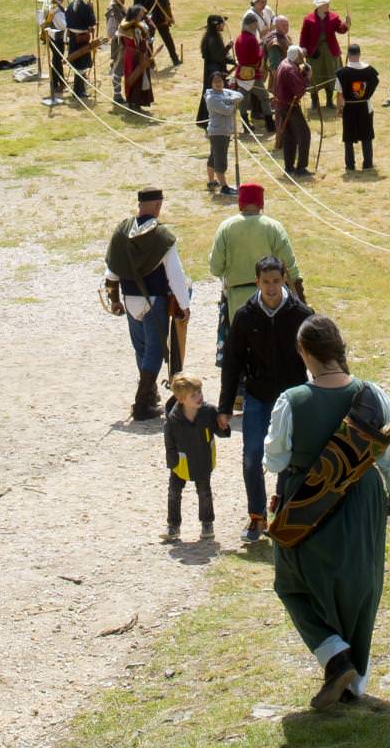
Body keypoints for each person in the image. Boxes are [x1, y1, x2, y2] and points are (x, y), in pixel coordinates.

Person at [264, 314, 390, 713]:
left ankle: (335, 657)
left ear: (304, 353)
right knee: (360, 589)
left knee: (292, 582)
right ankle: (355, 683)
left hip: (307, 503)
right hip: (363, 499)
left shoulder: (291, 401)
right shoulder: (373, 395)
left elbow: (275, 460)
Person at [217, 255, 312, 544]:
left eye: (276, 281)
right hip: (257, 396)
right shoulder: (245, 316)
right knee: (251, 457)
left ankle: (281, 509)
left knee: (287, 457)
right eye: (265, 281)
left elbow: (317, 356)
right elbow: (232, 362)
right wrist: (224, 407)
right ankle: (257, 516)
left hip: (292, 398)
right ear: (256, 282)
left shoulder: (302, 315)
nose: (271, 287)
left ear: (284, 279)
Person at [105, 189, 191, 421]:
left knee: (141, 349)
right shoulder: (162, 236)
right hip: (154, 300)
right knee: (154, 351)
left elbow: (112, 271)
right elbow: (175, 274)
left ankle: (150, 395)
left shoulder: (122, 231)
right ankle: (142, 404)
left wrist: (114, 300)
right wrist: (185, 304)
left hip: (130, 300)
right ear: (157, 205)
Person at [206, 182, 300, 354]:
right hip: (272, 294)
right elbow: (289, 265)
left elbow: (215, 267)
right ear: (261, 203)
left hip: (237, 298)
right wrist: (300, 296)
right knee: (272, 345)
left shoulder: (226, 227)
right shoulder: (273, 227)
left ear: (240, 202)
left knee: (242, 347)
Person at [163, 373, 219, 540]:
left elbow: (220, 429)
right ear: (181, 399)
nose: (199, 397)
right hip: (181, 462)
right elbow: (169, 444)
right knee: (174, 492)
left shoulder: (208, 412)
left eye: (199, 392)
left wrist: (223, 425)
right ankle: (173, 525)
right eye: (193, 395)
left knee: (204, 492)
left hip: (202, 457)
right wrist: (173, 463)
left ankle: (207, 523)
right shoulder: (173, 420)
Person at [336, 42, 381, 173]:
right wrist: (367, 94)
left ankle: (350, 165)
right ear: (359, 54)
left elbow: (339, 94)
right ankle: (368, 164)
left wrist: (339, 108)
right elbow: (374, 83)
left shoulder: (342, 73)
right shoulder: (370, 71)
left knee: (348, 137)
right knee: (367, 135)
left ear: (348, 55)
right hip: (365, 107)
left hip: (349, 108)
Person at [299, 0, 348, 110]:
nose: (328, 5)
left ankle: (330, 101)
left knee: (330, 73)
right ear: (320, 6)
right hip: (314, 52)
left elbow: (340, 29)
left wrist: (346, 25)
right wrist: (303, 49)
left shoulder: (334, 17)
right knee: (313, 75)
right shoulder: (308, 19)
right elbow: (304, 35)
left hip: (330, 51)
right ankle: (314, 102)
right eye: (326, 4)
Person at [272, 44, 313, 176]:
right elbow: (299, 91)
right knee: (304, 135)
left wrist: (301, 73)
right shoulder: (290, 69)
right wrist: (307, 78)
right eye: (301, 56)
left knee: (290, 137)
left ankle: (289, 166)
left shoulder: (284, 63)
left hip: (281, 106)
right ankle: (301, 168)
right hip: (290, 107)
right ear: (297, 57)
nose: (303, 58)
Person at [136, 0, 181, 69]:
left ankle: (151, 64)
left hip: (145, 16)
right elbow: (165, 0)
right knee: (166, 38)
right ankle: (174, 59)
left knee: (149, 39)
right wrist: (169, 16)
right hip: (159, 15)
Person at [203, 74, 243, 199]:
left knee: (213, 157)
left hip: (224, 130)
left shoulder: (224, 92)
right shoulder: (211, 98)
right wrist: (233, 103)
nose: (218, 84)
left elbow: (240, 95)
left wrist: (230, 100)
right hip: (218, 132)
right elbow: (227, 110)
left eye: (220, 81)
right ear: (211, 84)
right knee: (220, 160)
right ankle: (224, 187)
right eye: (215, 82)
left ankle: (211, 181)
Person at [233, 11, 273, 133]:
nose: (256, 26)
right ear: (250, 25)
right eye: (255, 24)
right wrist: (261, 49)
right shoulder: (251, 39)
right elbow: (257, 57)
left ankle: (245, 124)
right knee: (264, 97)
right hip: (252, 74)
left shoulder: (238, 38)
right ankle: (270, 124)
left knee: (243, 99)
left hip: (241, 73)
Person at [65, 0, 99, 103]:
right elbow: (92, 22)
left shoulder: (69, 5)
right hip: (82, 39)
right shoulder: (85, 7)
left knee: (77, 65)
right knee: (81, 65)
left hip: (74, 39)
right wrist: (92, 9)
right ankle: (78, 91)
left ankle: (78, 90)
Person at [195, 12, 229, 130]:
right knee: (211, 94)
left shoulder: (214, 36)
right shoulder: (212, 39)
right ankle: (206, 120)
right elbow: (218, 57)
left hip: (213, 68)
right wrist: (228, 48)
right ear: (216, 25)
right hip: (213, 70)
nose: (223, 25)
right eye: (221, 23)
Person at [119, 11, 156, 113]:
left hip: (137, 55)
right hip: (132, 56)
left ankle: (137, 102)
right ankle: (133, 102)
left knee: (140, 79)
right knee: (133, 78)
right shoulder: (127, 27)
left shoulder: (139, 26)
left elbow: (144, 38)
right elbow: (125, 41)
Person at [41, 0, 72, 104]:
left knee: (56, 60)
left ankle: (58, 82)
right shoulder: (56, 10)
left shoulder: (52, 6)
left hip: (52, 37)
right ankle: (58, 83)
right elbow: (63, 25)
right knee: (57, 60)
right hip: (56, 37)